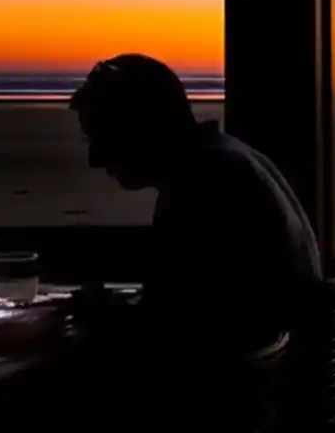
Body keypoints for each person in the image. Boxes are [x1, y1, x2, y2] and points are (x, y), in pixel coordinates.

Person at [70, 54, 321, 354]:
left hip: (234, 388)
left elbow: (182, 335)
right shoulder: (226, 159)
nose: (94, 159)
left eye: (104, 137)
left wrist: (104, 317)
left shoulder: (202, 186)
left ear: (146, 126)